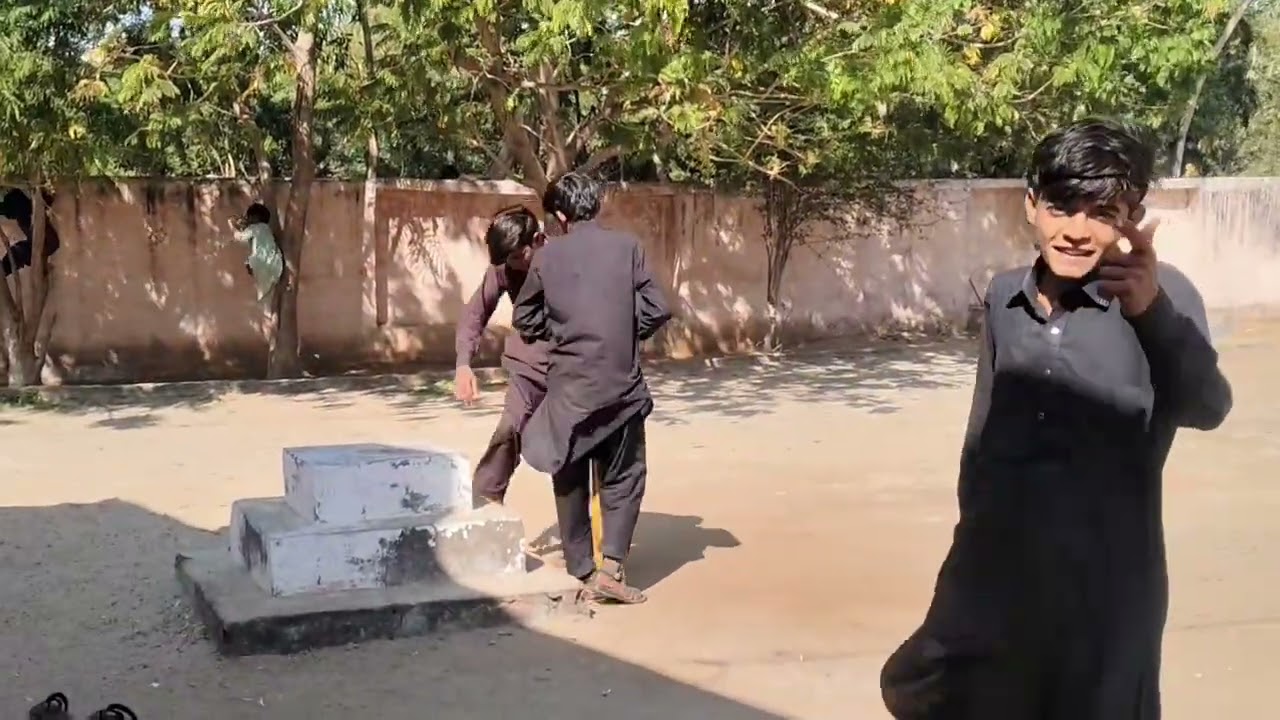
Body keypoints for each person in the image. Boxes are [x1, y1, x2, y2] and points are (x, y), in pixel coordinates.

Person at [879, 118, 1233, 719]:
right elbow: (983, 435)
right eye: (1062, 207)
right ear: (1031, 205)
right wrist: (968, 555)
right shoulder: (1004, 297)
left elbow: (1209, 406)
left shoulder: (1159, 297)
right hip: (996, 577)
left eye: (1102, 212)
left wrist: (1151, 313)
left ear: (1132, 217)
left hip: (1106, 591)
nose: (1075, 231)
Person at [512, 172, 672, 604]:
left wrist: (561, 332)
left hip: (569, 389)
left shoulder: (546, 259)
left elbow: (525, 320)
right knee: (624, 474)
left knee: (569, 473)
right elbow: (659, 308)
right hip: (620, 386)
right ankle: (613, 568)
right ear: (594, 206)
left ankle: (580, 568)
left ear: (561, 215)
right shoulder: (628, 247)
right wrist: (623, 331)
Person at [454, 205, 549, 506]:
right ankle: (484, 505)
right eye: (508, 260)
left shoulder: (566, 260)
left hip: (571, 366)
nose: (515, 265)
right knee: (509, 429)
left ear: (538, 240)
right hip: (529, 368)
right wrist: (463, 364)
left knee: (572, 450)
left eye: (518, 256)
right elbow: (475, 313)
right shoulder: (505, 268)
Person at [234, 202, 283, 303]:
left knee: (264, 295)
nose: (248, 220)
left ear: (255, 217)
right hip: (276, 263)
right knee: (268, 291)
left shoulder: (255, 228)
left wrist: (233, 227)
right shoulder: (267, 229)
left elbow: (240, 237)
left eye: (249, 217)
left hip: (262, 263)